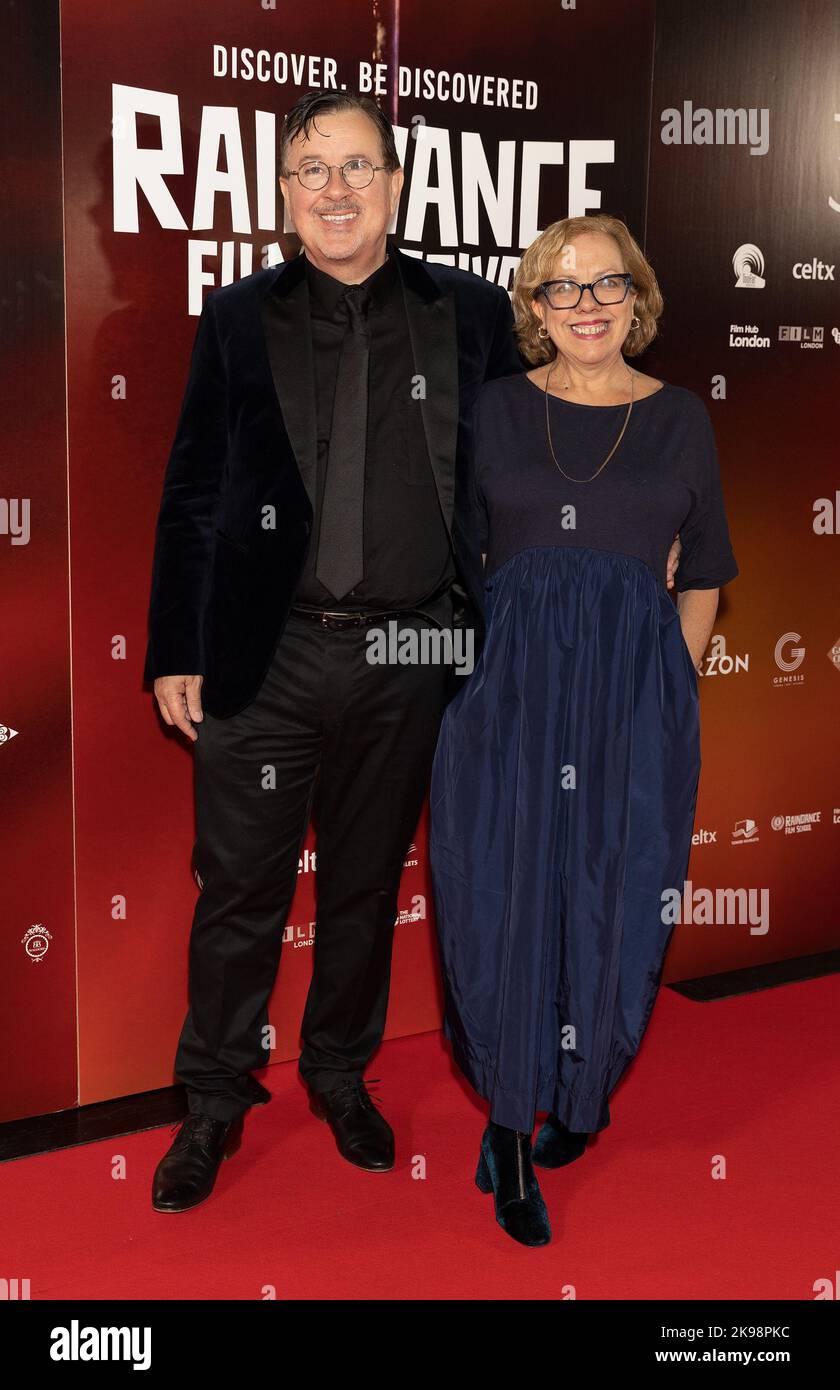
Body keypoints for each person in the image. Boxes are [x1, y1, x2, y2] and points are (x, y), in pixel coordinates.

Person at [144, 89, 524, 1213]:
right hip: (265, 656)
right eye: (313, 169)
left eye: (359, 167)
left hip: (412, 651)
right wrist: (176, 642)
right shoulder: (235, 316)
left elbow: (518, 473)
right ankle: (212, 1101)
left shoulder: (471, 314)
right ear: (285, 195)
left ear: (397, 188)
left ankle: (338, 1072)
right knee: (240, 893)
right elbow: (194, 493)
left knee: (362, 889)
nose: (336, 188)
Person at [428, 214, 738, 1246]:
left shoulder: (682, 417)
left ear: (638, 299)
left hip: (629, 706)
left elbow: (704, 575)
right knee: (505, 899)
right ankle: (511, 1127)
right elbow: (459, 567)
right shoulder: (497, 410)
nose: (587, 302)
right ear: (535, 308)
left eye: (607, 283)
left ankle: (572, 1084)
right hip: (510, 702)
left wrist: (664, 686)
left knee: (606, 896)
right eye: (562, 288)